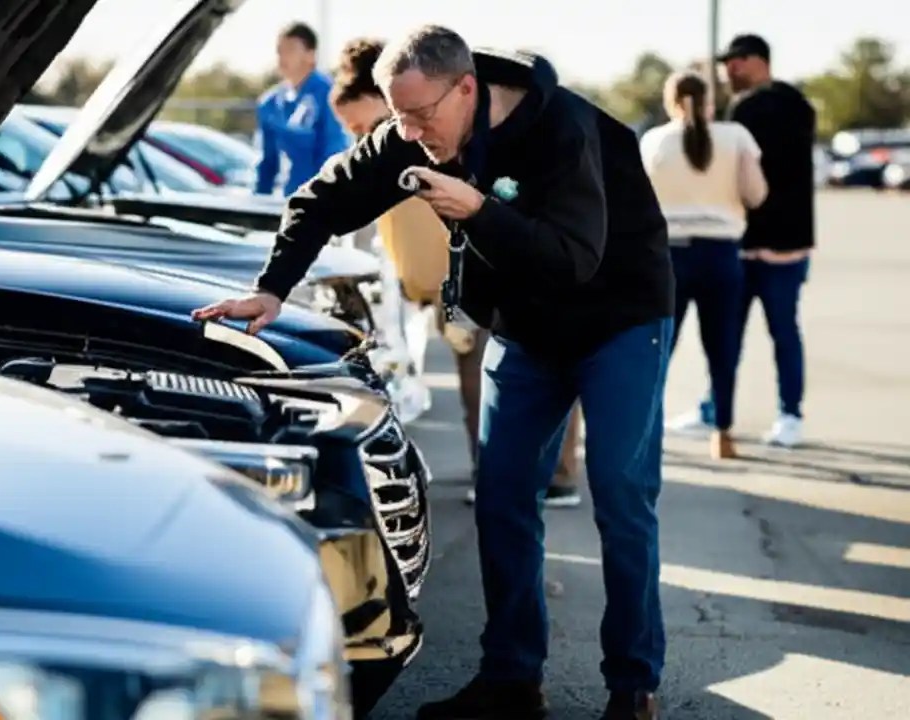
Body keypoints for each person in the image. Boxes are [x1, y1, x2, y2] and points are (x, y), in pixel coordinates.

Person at [194, 25, 673, 720]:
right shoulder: (415, 128)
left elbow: (575, 258)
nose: (410, 133)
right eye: (398, 116)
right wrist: (272, 288)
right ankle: (512, 681)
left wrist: (481, 211)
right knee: (503, 496)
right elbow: (319, 199)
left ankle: (634, 687)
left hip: (619, 320)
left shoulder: (564, 129)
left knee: (621, 497)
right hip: (527, 329)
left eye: (421, 115)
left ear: (469, 89)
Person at [328, 36, 583, 509]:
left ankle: (551, 475)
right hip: (440, 281)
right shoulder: (390, 147)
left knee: (513, 372)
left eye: (363, 123)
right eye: (352, 130)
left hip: (483, 272)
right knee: (481, 381)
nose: (360, 136)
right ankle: (497, 472)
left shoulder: (440, 138)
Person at [668, 34, 816, 448]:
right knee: (725, 336)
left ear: (759, 61)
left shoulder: (777, 107)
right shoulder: (750, 110)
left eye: (737, 62)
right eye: (725, 63)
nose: (729, 70)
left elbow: (766, 178)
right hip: (736, 244)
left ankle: (790, 413)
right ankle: (714, 409)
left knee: (781, 331)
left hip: (781, 247)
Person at [641, 71, 768, 460]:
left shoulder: (653, 141)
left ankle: (646, 434)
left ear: (670, 100)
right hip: (721, 256)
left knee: (659, 349)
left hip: (669, 257)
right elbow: (756, 194)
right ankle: (722, 434)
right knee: (722, 348)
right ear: (707, 100)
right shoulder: (736, 137)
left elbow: (640, 203)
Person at [254, 21, 350, 197]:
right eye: (279, 50)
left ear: (311, 55)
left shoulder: (330, 95)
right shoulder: (269, 103)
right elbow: (267, 162)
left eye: (290, 50)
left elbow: (333, 151)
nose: (282, 57)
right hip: (285, 201)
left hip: (322, 202)